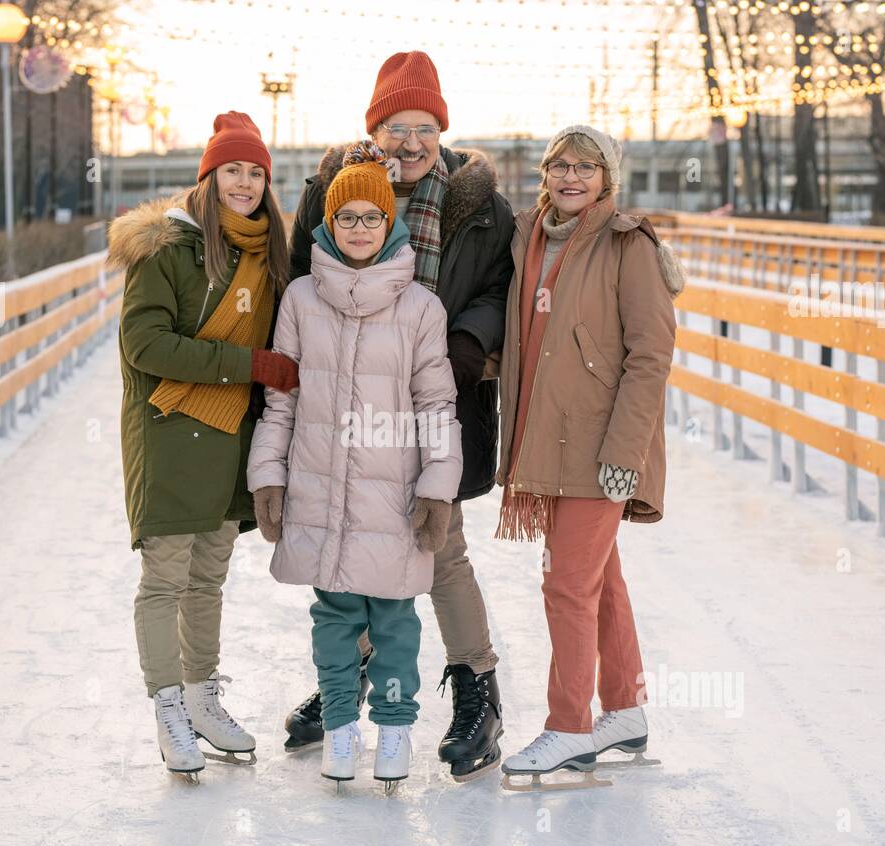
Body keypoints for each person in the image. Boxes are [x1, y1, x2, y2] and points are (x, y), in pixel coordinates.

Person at [282, 51, 514, 781]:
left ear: (440, 130)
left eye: (422, 127)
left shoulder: (480, 205)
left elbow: (501, 285)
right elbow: (299, 275)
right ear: (373, 129)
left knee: (437, 545)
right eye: (393, 127)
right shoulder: (333, 187)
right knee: (350, 541)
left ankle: (478, 692)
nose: (408, 142)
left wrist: (465, 342)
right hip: (347, 400)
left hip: (434, 398)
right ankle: (344, 686)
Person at [248, 143, 463, 790]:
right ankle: (341, 728)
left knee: (395, 621)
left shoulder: (421, 309)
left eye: (374, 216)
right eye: (349, 217)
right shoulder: (301, 301)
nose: (361, 227)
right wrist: (270, 475)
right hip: (319, 487)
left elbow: (437, 404)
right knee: (335, 620)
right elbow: (280, 399)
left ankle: (395, 729)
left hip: (393, 495)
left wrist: (437, 488)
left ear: (391, 223)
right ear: (329, 225)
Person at [107, 111, 297, 781]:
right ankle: (168, 710)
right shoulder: (165, 248)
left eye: (254, 172)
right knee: (164, 578)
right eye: (231, 170)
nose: (243, 183)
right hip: (168, 429)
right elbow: (145, 345)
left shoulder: (269, 251)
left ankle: (201, 696)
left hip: (230, 435)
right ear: (208, 176)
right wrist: (246, 367)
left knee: (208, 578)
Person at [493, 124, 684, 788]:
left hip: (600, 444)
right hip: (549, 434)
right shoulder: (531, 236)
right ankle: (625, 710)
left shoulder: (628, 245)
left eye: (585, 167)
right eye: (559, 166)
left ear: (607, 177)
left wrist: (625, 452)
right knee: (600, 582)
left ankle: (569, 725)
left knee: (567, 586)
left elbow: (651, 355)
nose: (570, 177)